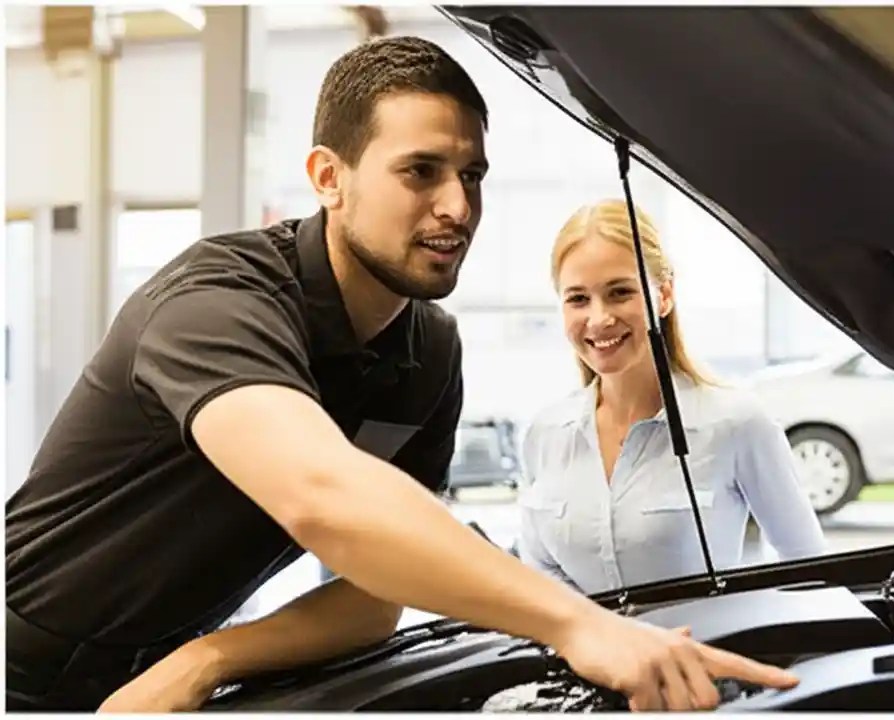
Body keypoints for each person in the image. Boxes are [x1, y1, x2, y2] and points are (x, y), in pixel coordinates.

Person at [4, 37, 798, 713]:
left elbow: (376, 591)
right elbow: (323, 499)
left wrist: (208, 659)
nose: (458, 207)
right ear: (329, 177)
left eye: (472, 175)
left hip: (162, 683)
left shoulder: (429, 355)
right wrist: (577, 623)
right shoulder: (217, 302)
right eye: (421, 171)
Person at [518, 199, 827, 594]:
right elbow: (539, 574)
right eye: (578, 299)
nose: (599, 319)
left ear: (664, 294)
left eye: (620, 292)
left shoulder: (736, 423)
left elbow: (809, 569)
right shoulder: (544, 434)